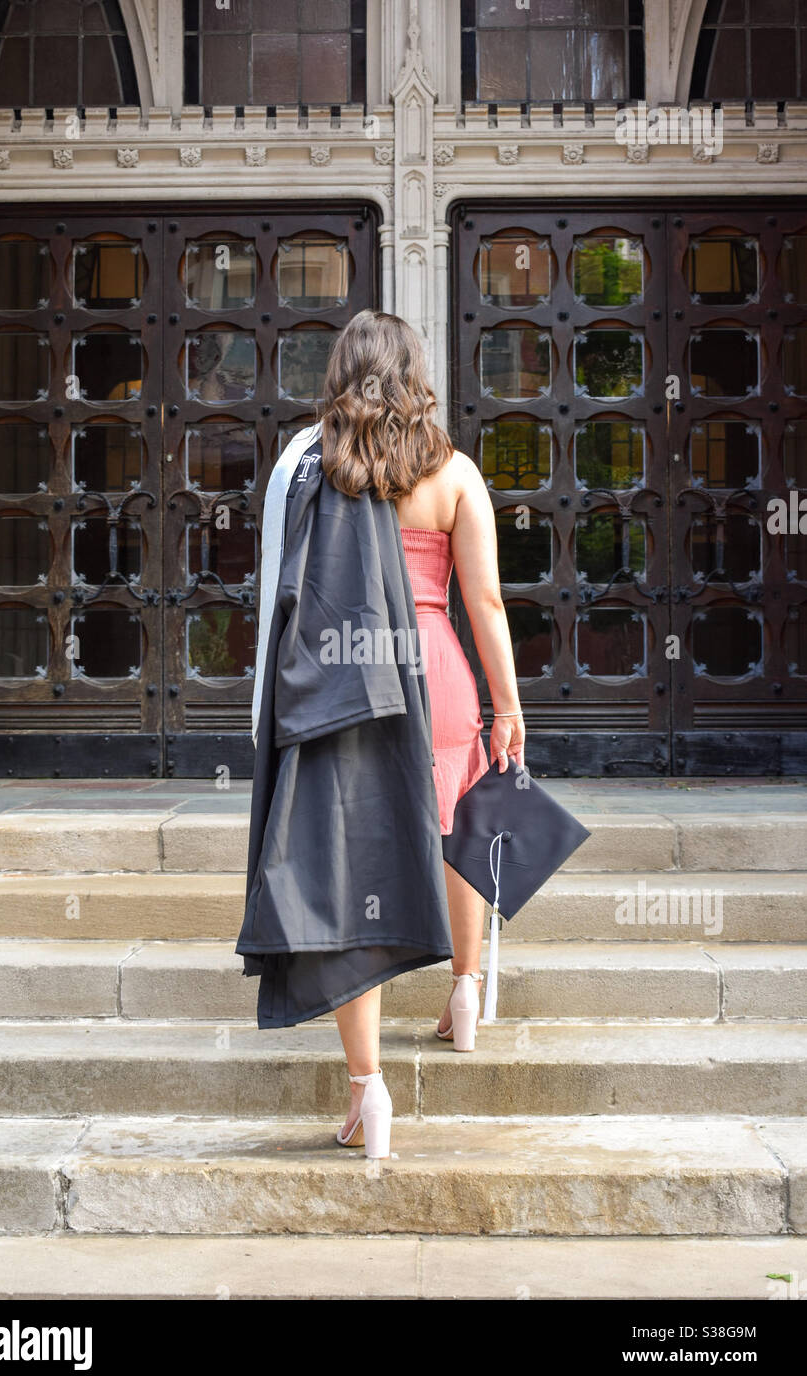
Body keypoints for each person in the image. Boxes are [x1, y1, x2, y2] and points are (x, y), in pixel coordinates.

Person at [239, 309, 525, 1159]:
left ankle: (369, 1090)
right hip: (434, 668)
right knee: (457, 829)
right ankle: (465, 993)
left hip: (349, 678)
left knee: (351, 866)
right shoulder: (455, 471)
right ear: (416, 374)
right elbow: (487, 603)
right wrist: (505, 706)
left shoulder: (317, 465)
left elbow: (280, 594)